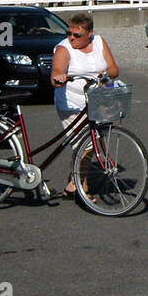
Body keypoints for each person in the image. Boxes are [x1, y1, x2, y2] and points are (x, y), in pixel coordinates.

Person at [50, 12, 119, 198]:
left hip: (96, 102)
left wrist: (104, 74)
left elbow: (114, 69)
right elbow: (56, 74)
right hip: (71, 105)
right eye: (69, 33)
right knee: (85, 146)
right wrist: (60, 78)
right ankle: (83, 189)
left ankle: (73, 184)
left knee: (86, 145)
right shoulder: (64, 49)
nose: (71, 37)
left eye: (77, 35)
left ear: (90, 33)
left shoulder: (99, 42)